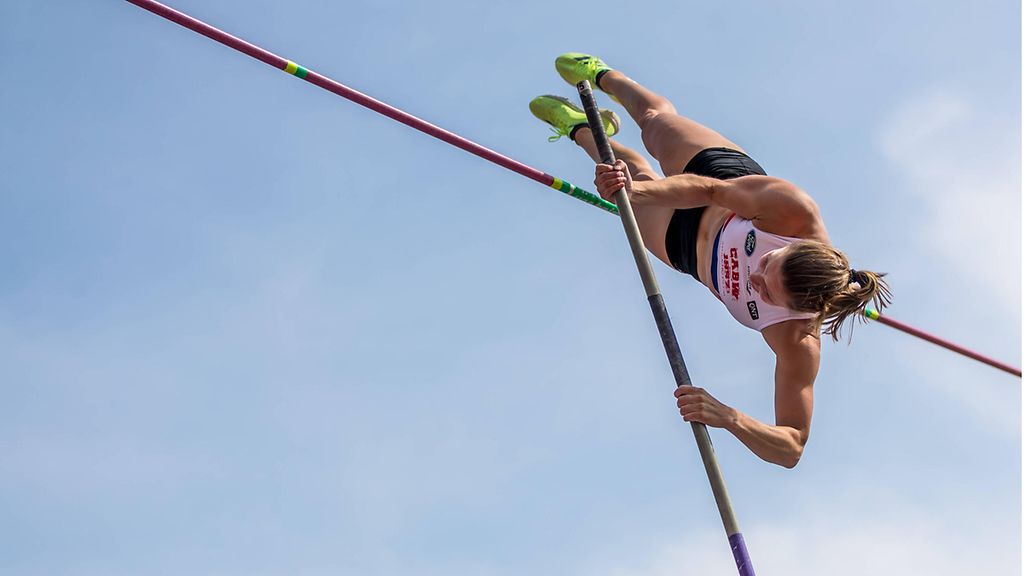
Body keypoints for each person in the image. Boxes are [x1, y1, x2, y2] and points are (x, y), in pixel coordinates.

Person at [530, 53, 891, 468]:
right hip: (717, 185)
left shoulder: (796, 341)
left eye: (765, 291)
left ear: (797, 310)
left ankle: (579, 127)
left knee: (627, 171)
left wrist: (730, 418)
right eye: (766, 264)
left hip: (684, 249)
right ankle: (602, 74)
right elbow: (708, 191)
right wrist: (641, 193)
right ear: (791, 244)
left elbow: (791, 446)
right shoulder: (793, 211)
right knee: (654, 124)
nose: (755, 278)